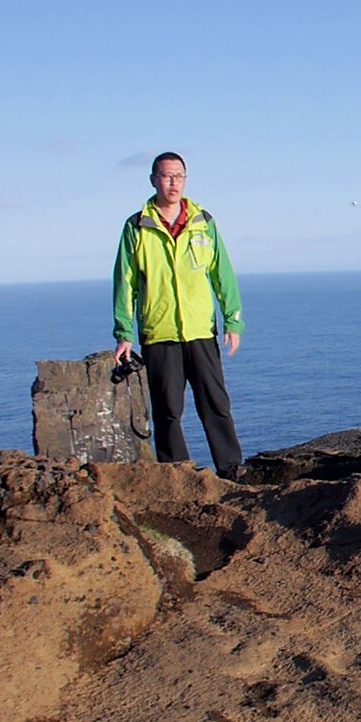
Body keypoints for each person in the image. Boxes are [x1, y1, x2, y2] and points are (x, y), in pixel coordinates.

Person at [111, 151, 246, 478]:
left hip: (200, 330)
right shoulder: (136, 227)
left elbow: (222, 274)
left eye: (179, 176)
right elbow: (124, 282)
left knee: (215, 405)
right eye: (166, 176)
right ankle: (178, 475)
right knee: (168, 410)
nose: (173, 183)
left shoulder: (204, 222)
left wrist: (232, 320)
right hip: (160, 333)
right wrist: (124, 333)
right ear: (153, 180)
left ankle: (231, 470)